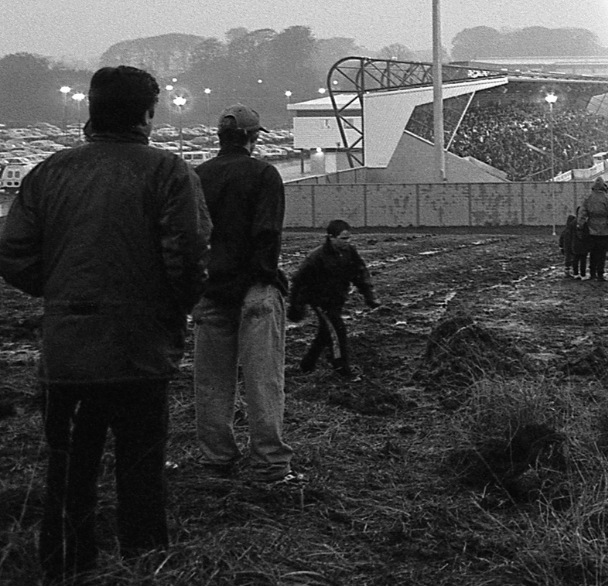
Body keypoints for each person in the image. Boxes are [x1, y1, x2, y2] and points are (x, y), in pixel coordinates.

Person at [1, 66, 208, 581]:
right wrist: (171, 307)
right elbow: (187, 257)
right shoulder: (167, 172)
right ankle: (145, 566)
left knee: (68, 474)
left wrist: (61, 291)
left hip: (68, 352)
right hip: (140, 350)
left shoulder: (48, 173)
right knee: (141, 474)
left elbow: (14, 252)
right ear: (147, 112)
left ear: (91, 109)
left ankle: (66, 568)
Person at [192, 104, 301, 486]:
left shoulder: (198, 175)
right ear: (254, 138)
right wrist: (268, 278)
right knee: (263, 381)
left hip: (210, 289)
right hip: (254, 288)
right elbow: (266, 232)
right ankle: (270, 464)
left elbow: (192, 235)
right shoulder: (263, 174)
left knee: (211, 382)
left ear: (220, 138)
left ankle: (216, 459)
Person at [289, 219, 380, 380]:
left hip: (337, 299)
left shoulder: (349, 253)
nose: (347, 242)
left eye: (349, 238)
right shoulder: (317, 257)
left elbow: (360, 273)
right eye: (343, 238)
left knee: (325, 333)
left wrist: (370, 297)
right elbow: (298, 281)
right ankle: (342, 369)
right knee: (338, 331)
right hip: (320, 301)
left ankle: (307, 365)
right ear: (331, 237)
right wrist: (296, 307)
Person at [581, 177, 608, 282]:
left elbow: (583, 213)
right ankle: (600, 273)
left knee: (593, 252)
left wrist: (580, 225)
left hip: (591, 228)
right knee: (602, 253)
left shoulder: (588, 198)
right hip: (605, 229)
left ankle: (592, 273)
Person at [559, 214, 585, 279]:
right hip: (571, 247)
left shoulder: (565, 231)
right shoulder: (573, 231)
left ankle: (567, 271)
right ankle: (572, 271)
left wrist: (561, 246)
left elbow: (561, 239)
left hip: (566, 247)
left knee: (568, 259)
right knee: (573, 259)